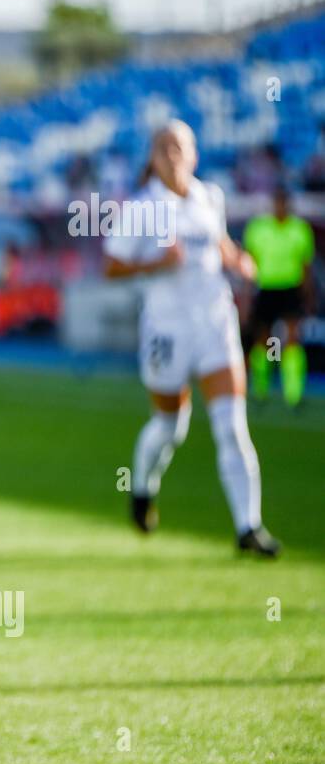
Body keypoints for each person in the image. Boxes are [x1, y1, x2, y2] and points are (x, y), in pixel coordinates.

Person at [103, 120, 280, 556]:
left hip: (215, 325)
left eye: (180, 146)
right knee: (169, 427)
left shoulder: (209, 197)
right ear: (152, 157)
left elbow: (218, 243)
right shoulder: (142, 208)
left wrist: (239, 261)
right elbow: (112, 266)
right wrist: (155, 265)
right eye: (164, 147)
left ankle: (248, 527)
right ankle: (142, 487)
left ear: (194, 154)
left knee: (232, 428)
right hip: (167, 331)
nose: (173, 154)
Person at [243, 185, 315, 408]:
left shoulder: (300, 230)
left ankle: (293, 394)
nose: (280, 207)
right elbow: (249, 263)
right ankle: (261, 390)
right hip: (266, 289)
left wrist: (308, 294)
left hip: (290, 290)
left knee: (292, 339)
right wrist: (247, 293)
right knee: (265, 341)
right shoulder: (258, 229)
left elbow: (305, 266)